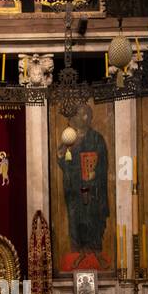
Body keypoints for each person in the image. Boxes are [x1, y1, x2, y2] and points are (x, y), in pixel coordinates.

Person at [56, 104, 109, 268]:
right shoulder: (69, 138)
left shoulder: (97, 138)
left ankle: (94, 252)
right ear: (75, 118)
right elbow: (63, 161)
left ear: (91, 117)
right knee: (77, 219)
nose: (83, 118)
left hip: (94, 188)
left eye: (87, 114)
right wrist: (61, 155)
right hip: (75, 188)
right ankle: (79, 253)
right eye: (80, 114)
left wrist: (95, 173)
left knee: (94, 218)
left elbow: (103, 163)